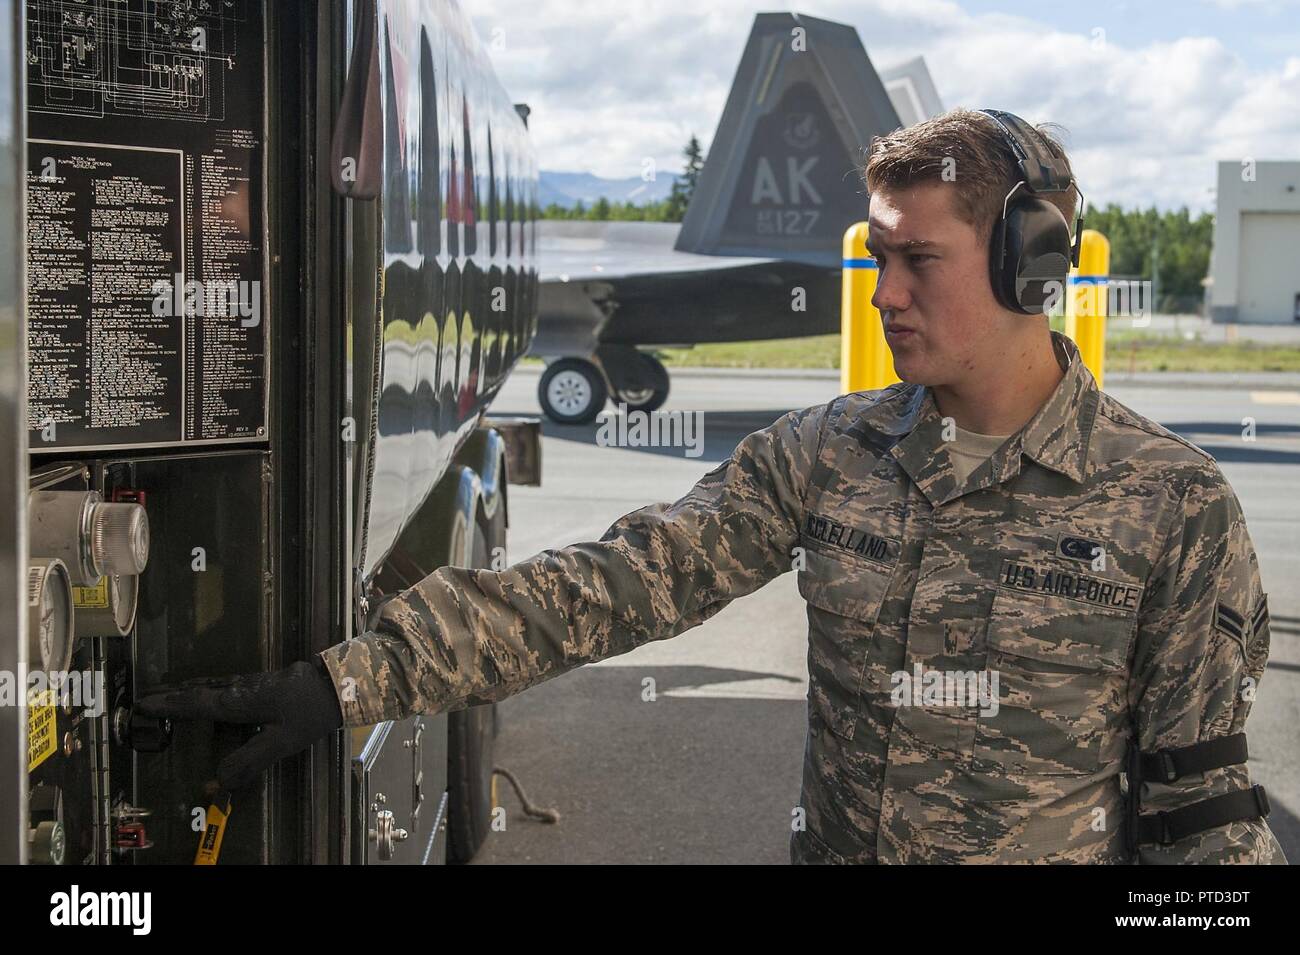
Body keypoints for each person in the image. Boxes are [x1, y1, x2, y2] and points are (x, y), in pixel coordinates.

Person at [137, 108, 1284, 864]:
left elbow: (1200, 814)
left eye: (916, 259)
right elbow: (619, 583)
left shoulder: (1171, 508)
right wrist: (349, 680)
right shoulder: (827, 452)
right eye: (874, 255)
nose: (881, 292)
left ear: (1029, 263)